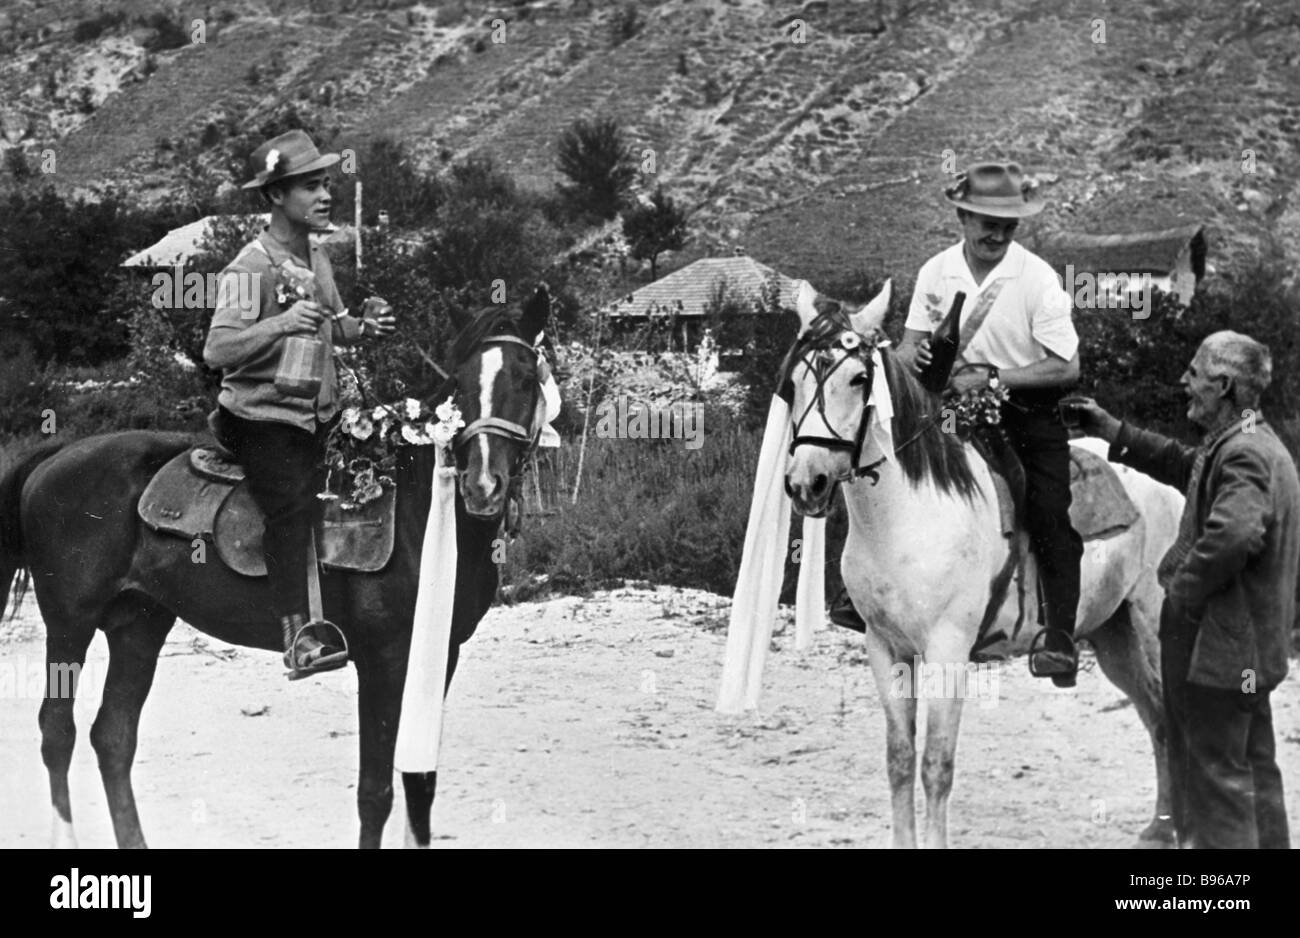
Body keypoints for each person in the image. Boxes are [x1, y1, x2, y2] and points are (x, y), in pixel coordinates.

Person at [828, 161, 1085, 687]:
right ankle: (862, 597)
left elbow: (1065, 365)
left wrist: (992, 378)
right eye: (987, 221)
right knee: (872, 471)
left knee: (1049, 504)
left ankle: (1058, 635)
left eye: (1008, 225)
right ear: (963, 216)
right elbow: (910, 345)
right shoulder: (936, 271)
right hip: (943, 407)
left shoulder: (1038, 278)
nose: (997, 234)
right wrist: (899, 363)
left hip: (1023, 411)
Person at [1072, 332, 1298, 848]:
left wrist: (1181, 589)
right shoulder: (1246, 441)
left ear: (1222, 385)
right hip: (1248, 654)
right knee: (1253, 768)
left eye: (1194, 373)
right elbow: (1187, 466)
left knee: (1215, 781)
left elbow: (1236, 534)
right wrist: (1114, 431)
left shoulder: (1243, 456)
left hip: (1219, 650)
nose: (1184, 381)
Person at [203, 129, 397, 679]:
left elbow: (340, 328)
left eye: (326, 183)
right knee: (291, 508)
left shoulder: (318, 255)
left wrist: (367, 325)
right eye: (310, 186)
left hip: (319, 416)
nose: (325, 195)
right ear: (274, 197)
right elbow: (217, 348)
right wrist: (282, 322)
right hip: (261, 418)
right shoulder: (249, 267)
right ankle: (298, 634)